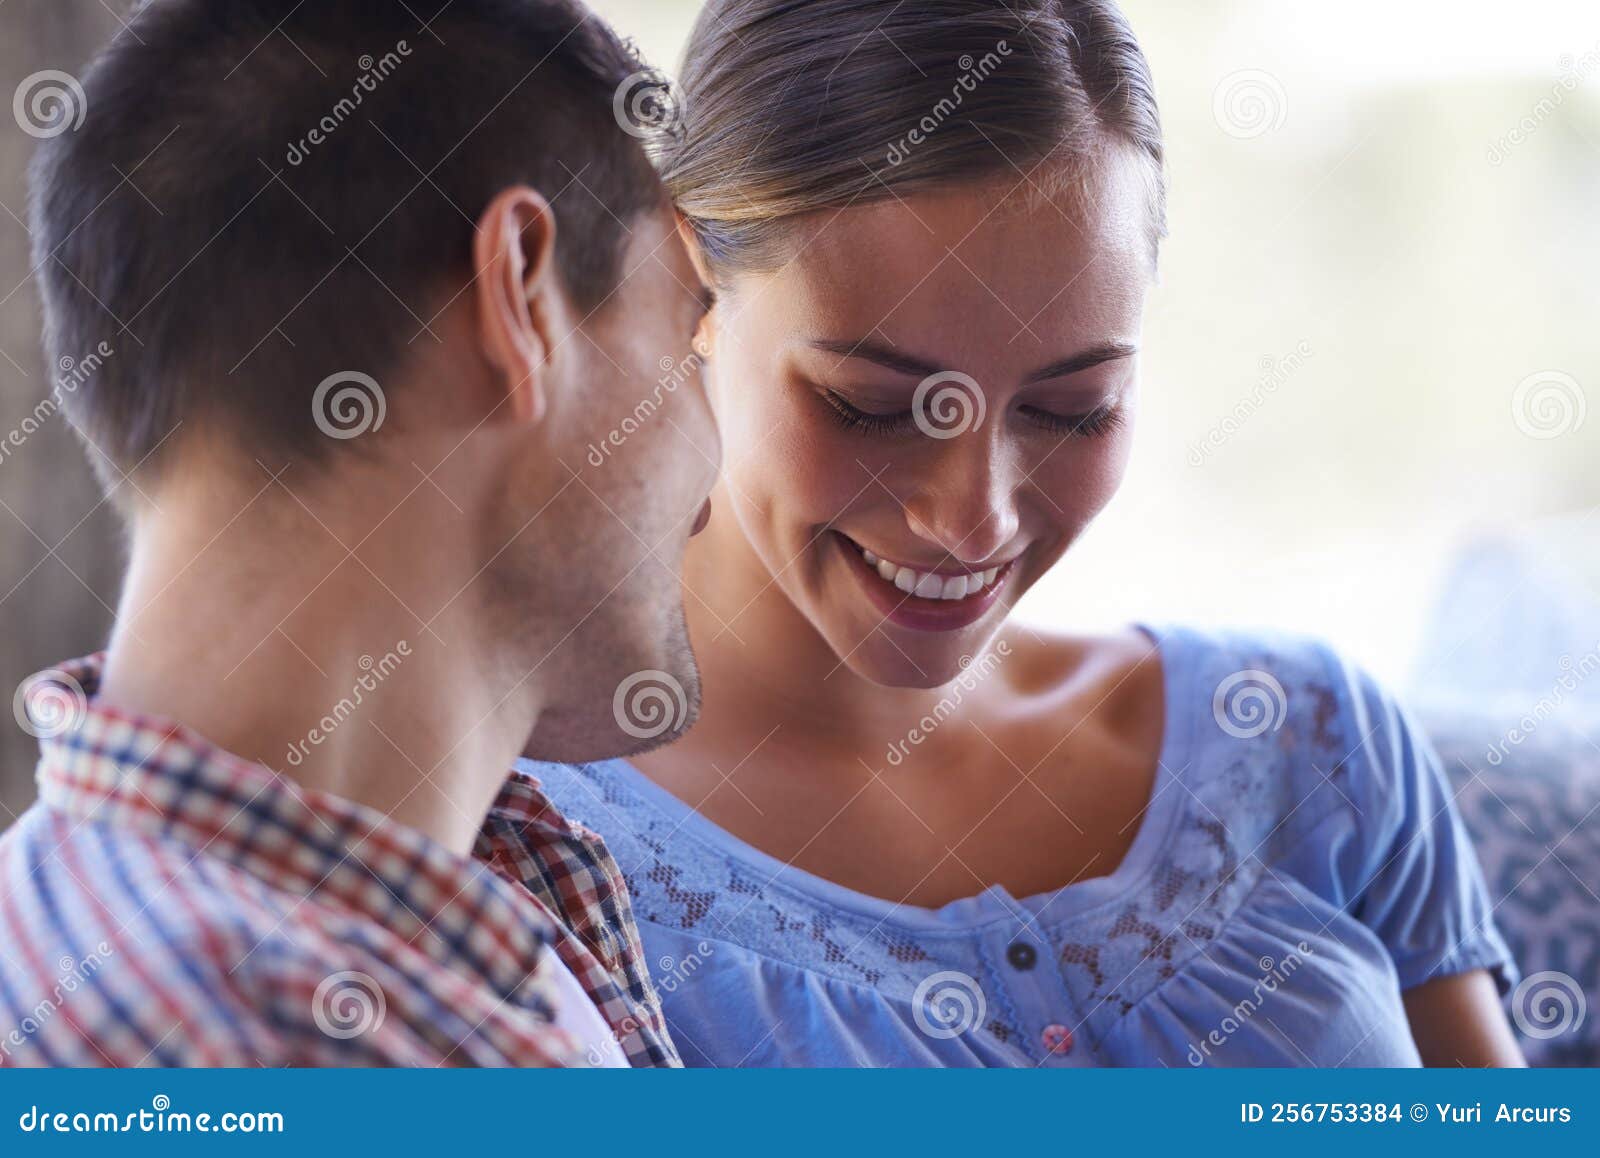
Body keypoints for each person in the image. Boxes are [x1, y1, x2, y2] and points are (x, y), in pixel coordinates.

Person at [524, 0, 1526, 1067]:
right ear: (684, 287)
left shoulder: (1308, 742)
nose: (972, 520)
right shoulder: (529, 851)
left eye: (1072, 406)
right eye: (872, 404)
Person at [0, 0, 715, 1067]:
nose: (715, 461)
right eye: (689, 334)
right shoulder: (265, 1044)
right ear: (521, 296)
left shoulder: (88, 929)